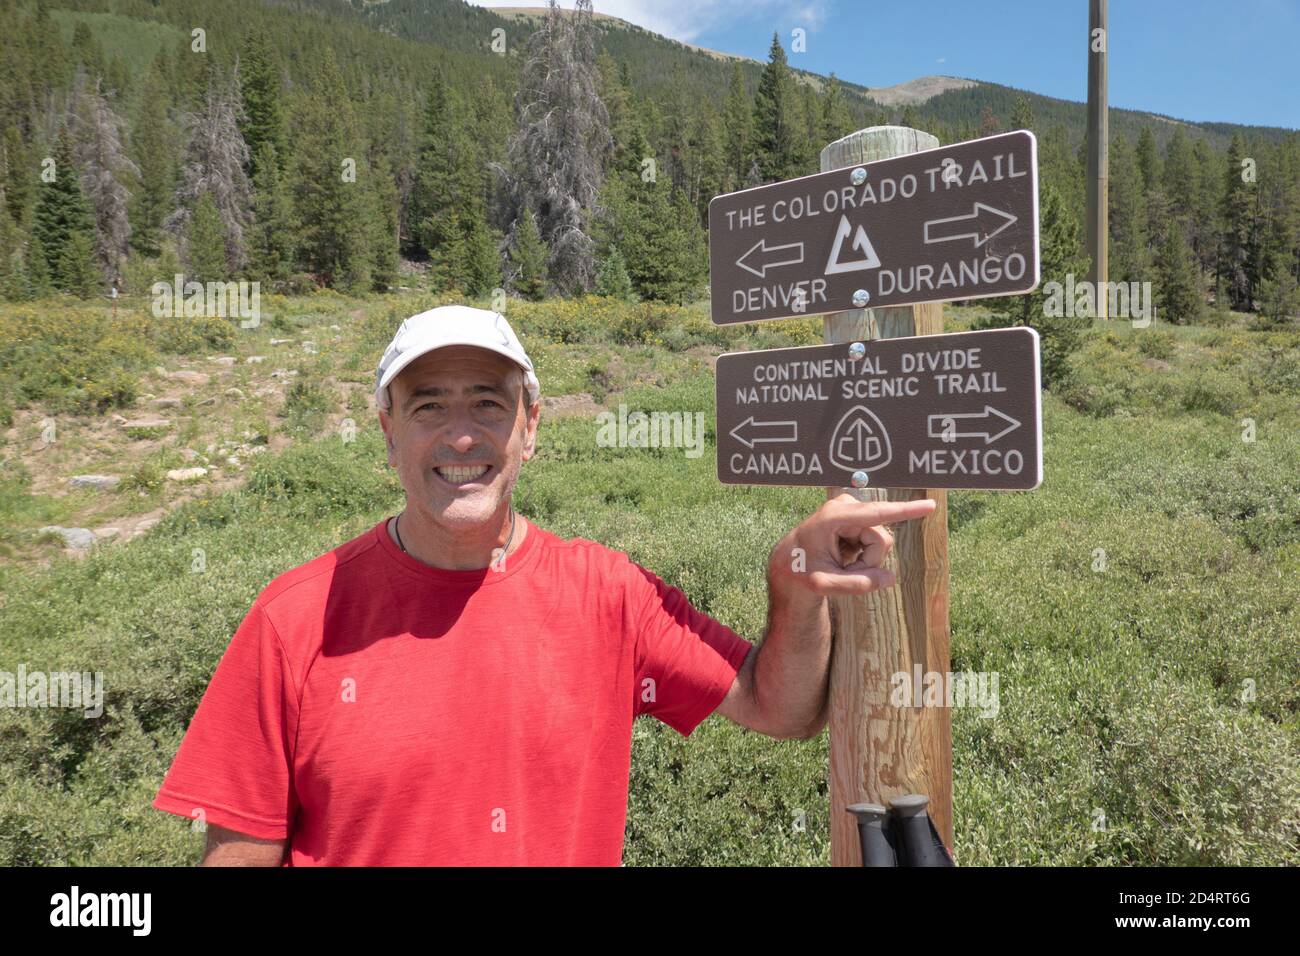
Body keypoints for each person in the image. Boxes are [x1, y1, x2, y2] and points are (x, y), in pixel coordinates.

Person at [151, 304, 935, 865]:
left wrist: (793, 581)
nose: (462, 434)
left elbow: (782, 707)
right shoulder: (296, 617)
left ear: (531, 424)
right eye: (428, 406)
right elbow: (243, 852)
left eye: (488, 403)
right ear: (389, 431)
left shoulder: (608, 594)